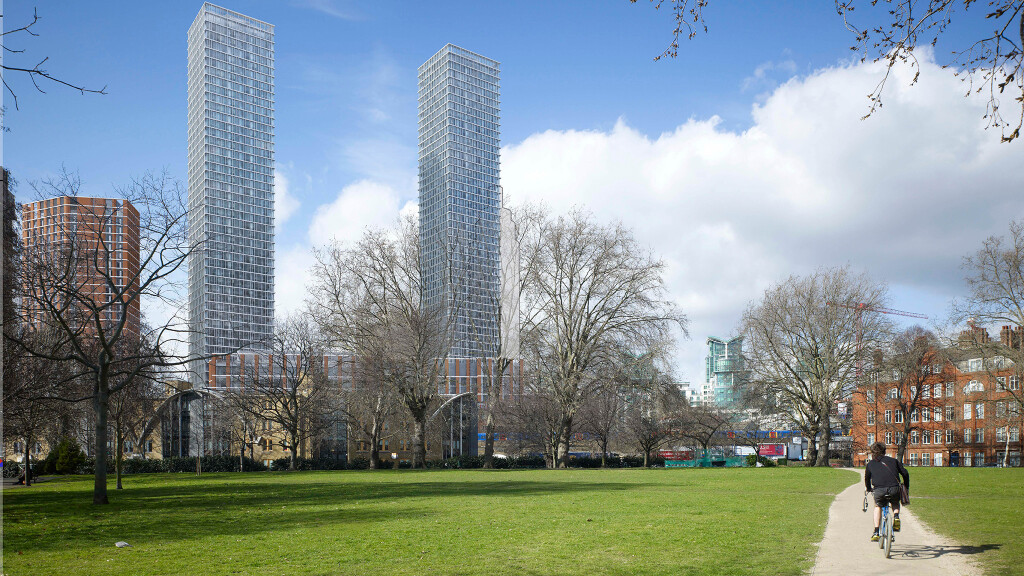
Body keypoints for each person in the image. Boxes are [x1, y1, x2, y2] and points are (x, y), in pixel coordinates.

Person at [864, 441, 909, 541]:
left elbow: (867, 479)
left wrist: (868, 488)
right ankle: (896, 516)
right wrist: (906, 485)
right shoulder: (894, 461)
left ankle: (876, 531)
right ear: (884, 451)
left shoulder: (870, 464)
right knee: (895, 502)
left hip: (879, 490)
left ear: (873, 453)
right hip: (894, 488)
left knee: (878, 506)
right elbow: (905, 473)